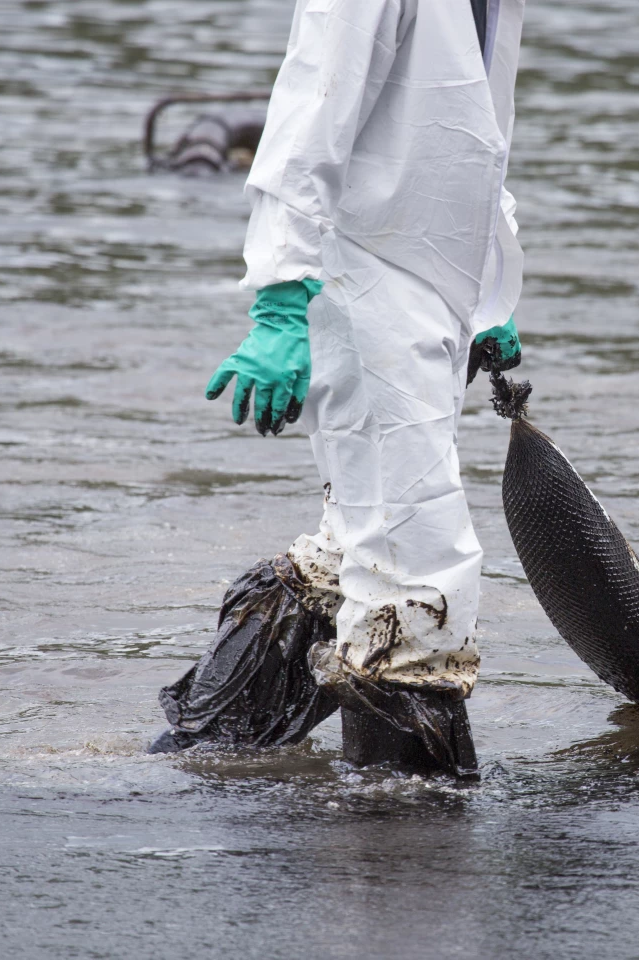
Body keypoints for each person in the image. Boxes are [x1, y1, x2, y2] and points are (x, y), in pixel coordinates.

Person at [195, 0, 527, 775]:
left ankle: (209, 755)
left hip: (429, 287)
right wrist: (281, 294)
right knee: (417, 577)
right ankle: (400, 826)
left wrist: (490, 291)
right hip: (365, 281)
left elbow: (468, 135)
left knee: (360, 544)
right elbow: (308, 115)